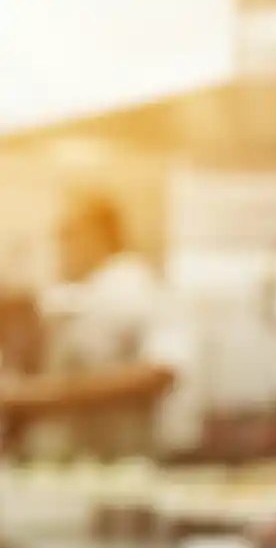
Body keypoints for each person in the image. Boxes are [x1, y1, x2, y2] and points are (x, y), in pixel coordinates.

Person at [0, 191, 197, 461]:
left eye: (67, 235)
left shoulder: (138, 287)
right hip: (88, 462)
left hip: (128, 462)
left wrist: (47, 396)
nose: (60, 247)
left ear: (97, 234)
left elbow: (161, 371)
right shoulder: (88, 292)